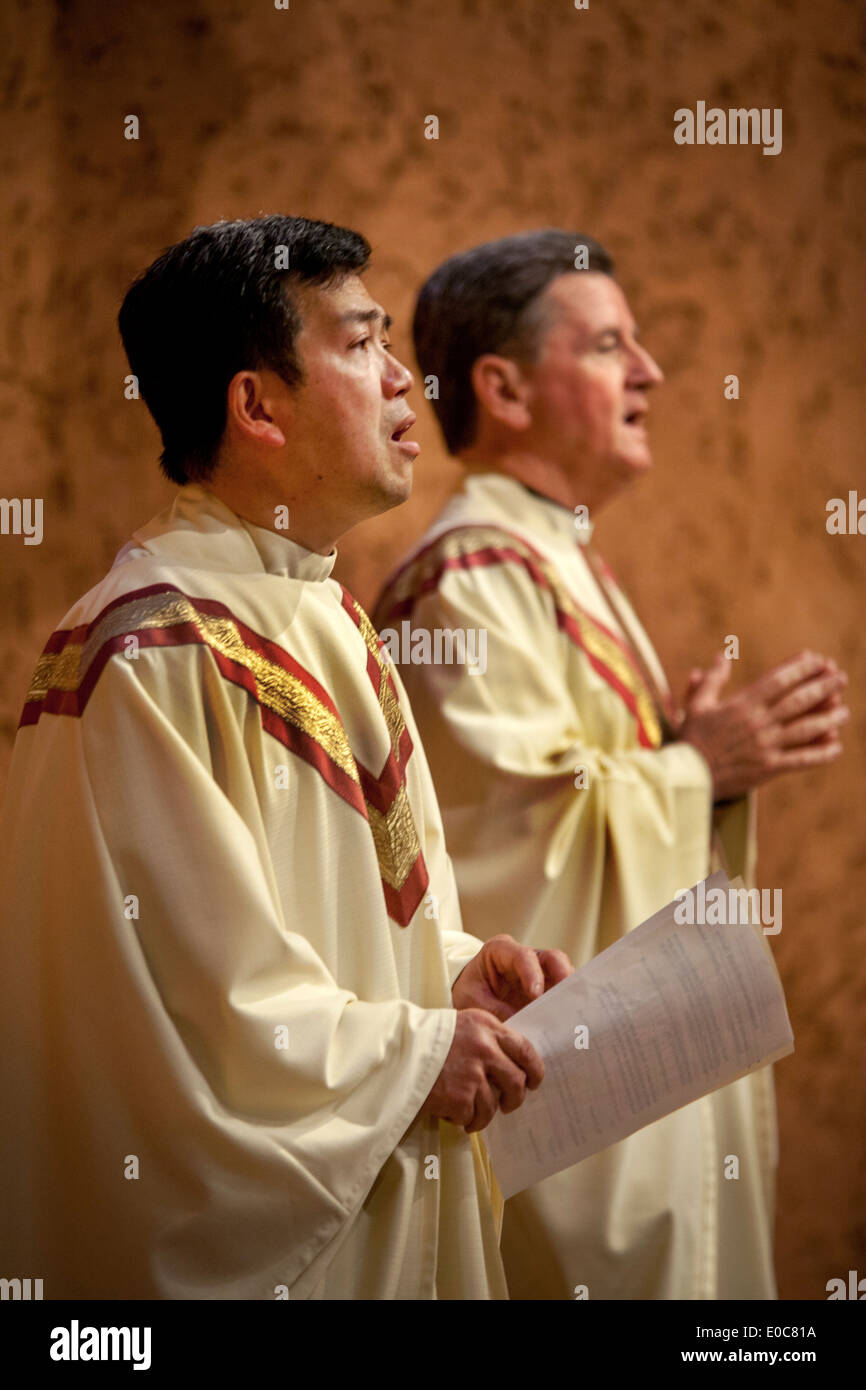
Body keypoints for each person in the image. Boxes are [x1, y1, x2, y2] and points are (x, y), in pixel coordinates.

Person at [0, 215, 574, 1301]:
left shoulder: (319, 614)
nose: (403, 380)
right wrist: (414, 1057)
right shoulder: (152, 651)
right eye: (359, 346)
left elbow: (312, 932)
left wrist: (443, 975)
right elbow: (186, 1013)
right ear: (255, 405)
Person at [373, 230, 849, 1300]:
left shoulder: (555, 559)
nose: (650, 372)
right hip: (553, 1111)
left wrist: (695, 775)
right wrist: (689, 771)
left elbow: (580, 795)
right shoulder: (468, 574)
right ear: (500, 386)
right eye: (606, 346)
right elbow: (506, 842)